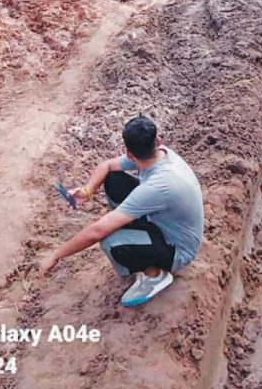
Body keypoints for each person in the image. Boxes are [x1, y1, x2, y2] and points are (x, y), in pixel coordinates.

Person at [40, 116, 204, 307]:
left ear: (129, 153)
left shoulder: (158, 186)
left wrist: (56, 254)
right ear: (157, 141)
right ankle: (134, 236)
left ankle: (155, 276)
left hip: (178, 251)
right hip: (166, 222)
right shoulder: (162, 154)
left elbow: (97, 232)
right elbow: (107, 166)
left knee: (111, 241)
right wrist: (87, 190)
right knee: (113, 178)